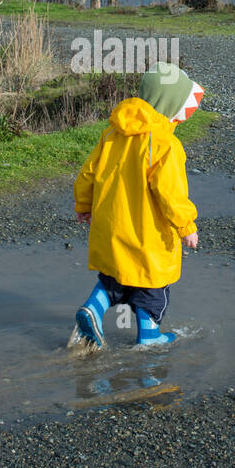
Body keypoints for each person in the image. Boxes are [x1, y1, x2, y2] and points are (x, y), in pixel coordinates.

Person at [70, 61, 203, 349]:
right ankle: (149, 337)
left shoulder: (111, 134)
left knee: (114, 279)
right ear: (170, 106)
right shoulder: (165, 144)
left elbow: (88, 173)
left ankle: (92, 308)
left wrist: (84, 205)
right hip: (147, 236)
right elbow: (171, 194)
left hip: (112, 230)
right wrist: (186, 226)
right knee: (153, 286)